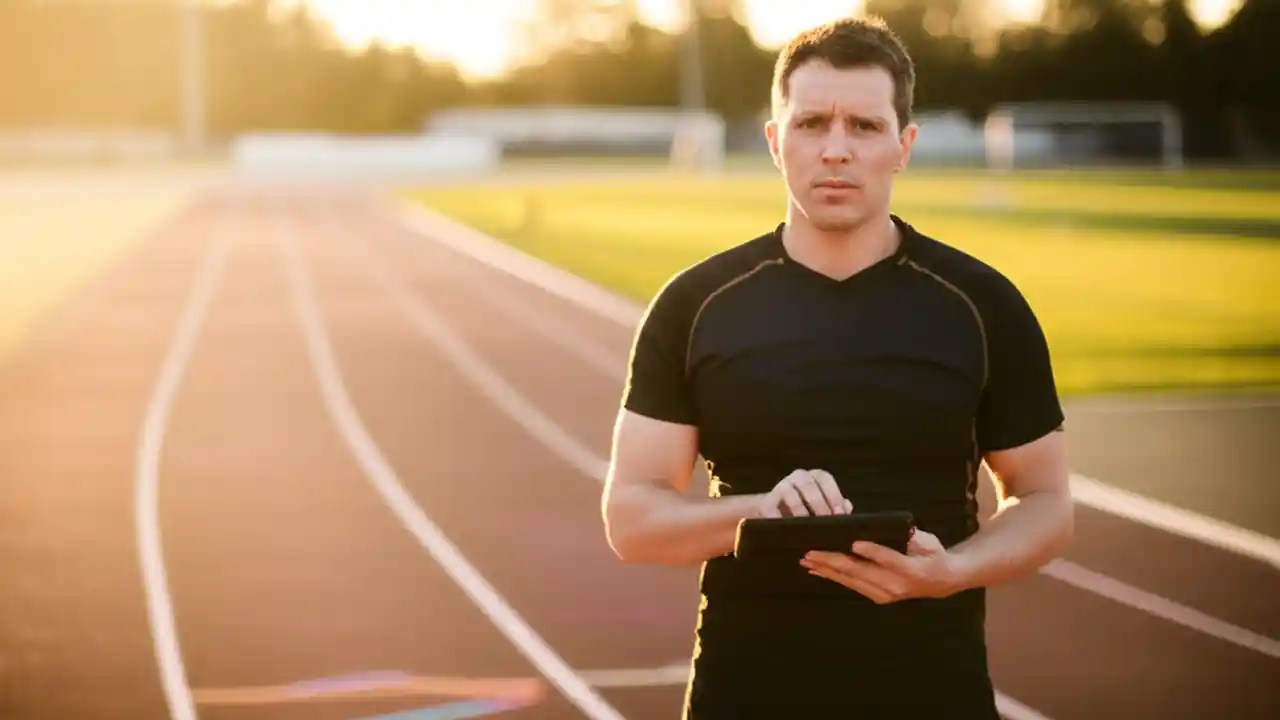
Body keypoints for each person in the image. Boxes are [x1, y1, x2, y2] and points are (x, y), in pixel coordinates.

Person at [600, 15, 1074, 720]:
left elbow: (1045, 502)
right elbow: (631, 516)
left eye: (864, 126)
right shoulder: (695, 306)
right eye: (812, 123)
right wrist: (757, 512)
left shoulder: (982, 305)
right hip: (747, 693)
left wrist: (952, 571)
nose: (836, 150)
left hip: (933, 691)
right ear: (774, 140)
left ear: (903, 145)